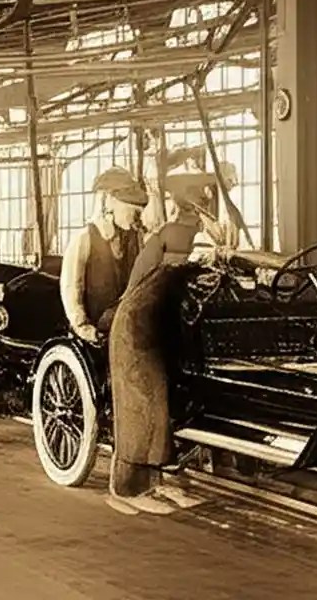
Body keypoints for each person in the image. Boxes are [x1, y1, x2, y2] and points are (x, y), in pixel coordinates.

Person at [108, 170, 227, 515]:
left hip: (155, 329)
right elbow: (137, 291)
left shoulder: (185, 235)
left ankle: (154, 484)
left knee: (157, 409)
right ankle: (126, 489)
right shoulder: (174, 236)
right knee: (141, 408)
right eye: (202, 203)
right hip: (136, 331)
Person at [58, 167, 147, 345]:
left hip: (124, 329)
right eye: (131, 210)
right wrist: (84, 328)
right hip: (94, 334)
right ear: (110, 201)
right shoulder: (84, 240)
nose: (135, 218)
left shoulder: (135, 239)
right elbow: (71, 289)